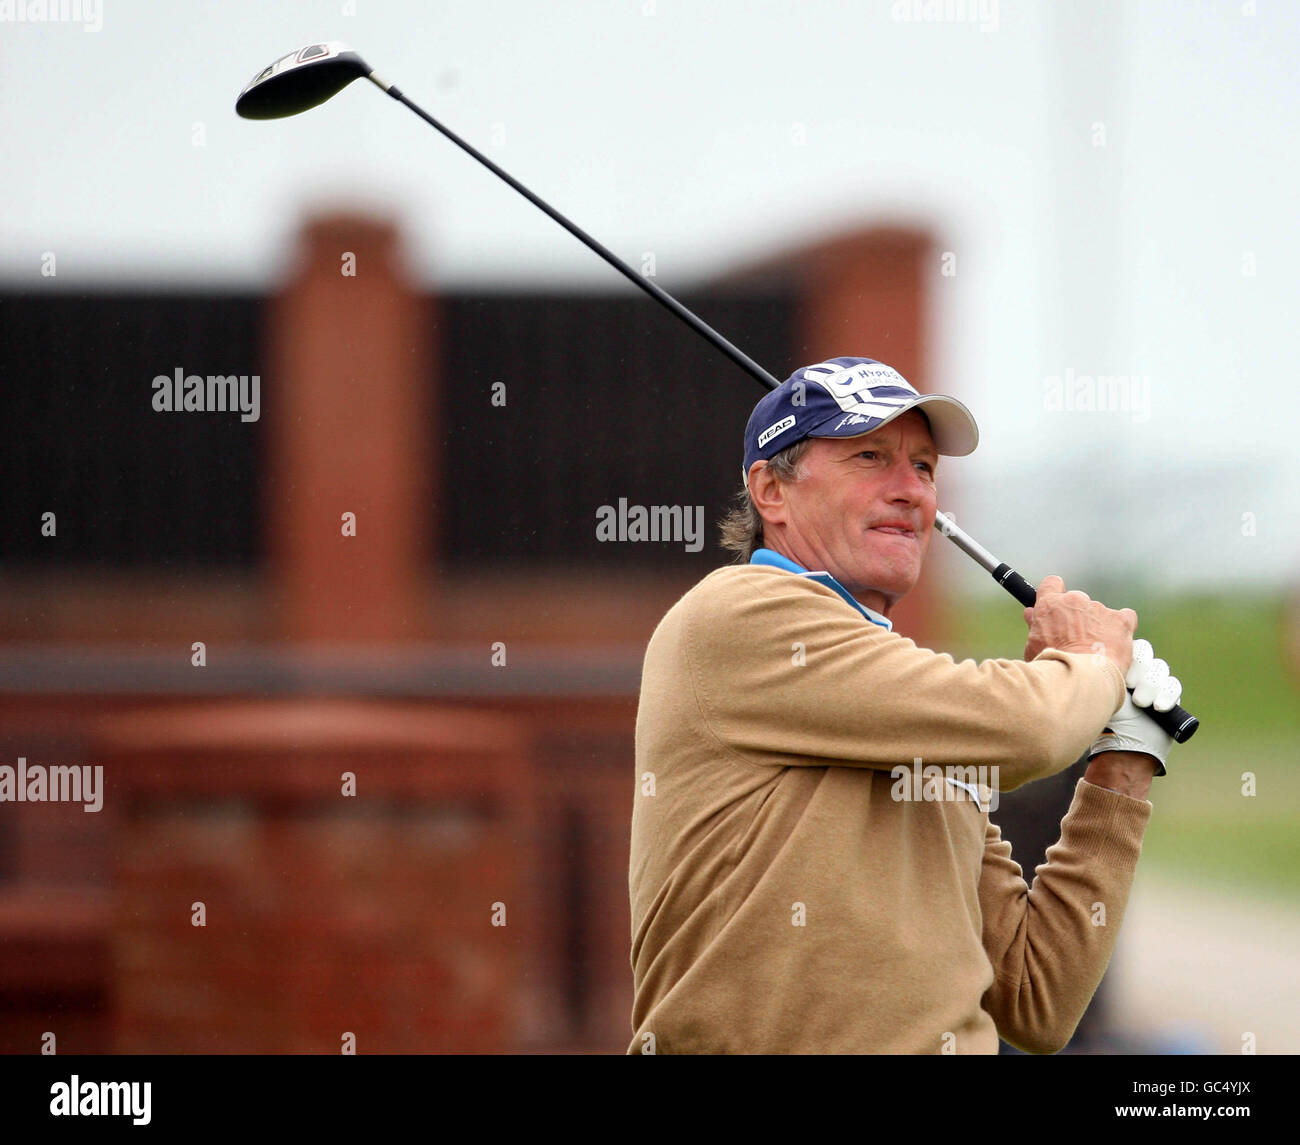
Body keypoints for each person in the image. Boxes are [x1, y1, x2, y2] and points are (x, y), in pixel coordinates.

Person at [628, 356, 1183, 1055]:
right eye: (871, 456)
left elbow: (1037, 998)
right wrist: (1094, 660)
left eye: (923, 467)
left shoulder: (902, 705)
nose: (910, 491)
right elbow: (1035, 728)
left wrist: (1122, 760)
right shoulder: (739, 615)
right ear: (771, 489)